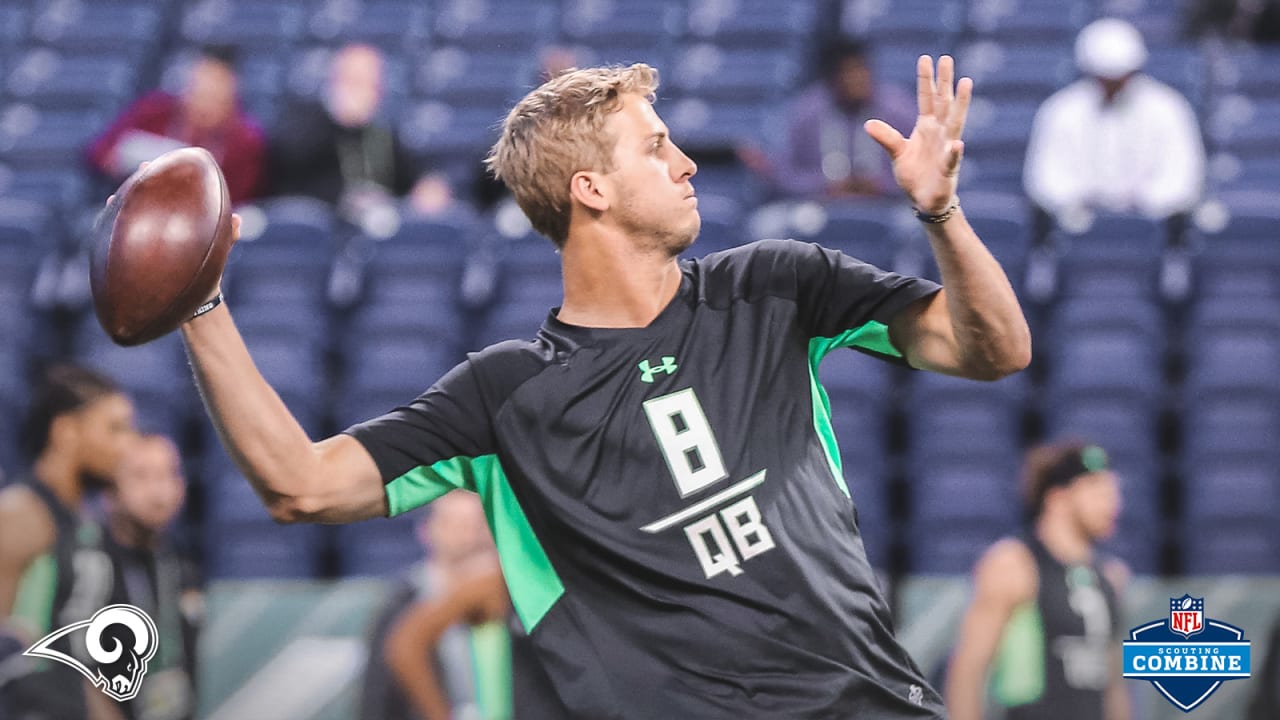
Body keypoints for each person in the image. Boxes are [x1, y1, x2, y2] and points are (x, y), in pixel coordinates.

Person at [171, 55, 1030, 717]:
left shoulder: (775, 284)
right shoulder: (505, 397)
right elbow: (300, 484)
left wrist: (941, 213)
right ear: (591, 190)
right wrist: (200, 305)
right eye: (656, 147)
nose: (687, 163)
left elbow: (994, 349)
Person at [945, 442, 1130, 720]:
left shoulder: (1110, 575)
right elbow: (967, 671)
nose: (1112, 502)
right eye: (1097, 489)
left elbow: (1112, 684)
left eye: (1112, 491)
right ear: (1057, 498)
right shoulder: (1013, 563)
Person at [0, 365, 136, 720]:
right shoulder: (18, 516)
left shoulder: (84, 524)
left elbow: (70, 659)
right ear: (65, 431)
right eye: (115, 429)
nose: (128, 445)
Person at [1023, 18, 1205, 225]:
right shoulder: (1060, 109)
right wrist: (1085, 198)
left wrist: (1140, 201)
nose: (1113, 85)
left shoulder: (1168, 107)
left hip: (1152, 226)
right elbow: (1044, 179)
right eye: (1104, 78)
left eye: (1120, 77)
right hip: (1077, 226)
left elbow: (1183, 178)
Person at [365, 491, 515, 720]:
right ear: (427, 530)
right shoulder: (402, 602)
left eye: (480, 525)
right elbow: (381, 689)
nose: (469, 538)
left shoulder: (514, 594)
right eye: (455, 525)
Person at [267, 43, 453, 223]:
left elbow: (409, 176)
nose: (365, 91)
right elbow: (290, 162)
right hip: (319, 228)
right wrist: (342, 119)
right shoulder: (305, 119)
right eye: (355, 81)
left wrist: (426, 186)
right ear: (335, 80)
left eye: (373, 84)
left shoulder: (380, 132)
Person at [86, 45, 265, 205]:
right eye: (199, 94)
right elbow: (99, 153)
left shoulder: (245, 141)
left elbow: (236, 202)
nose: (204, 107)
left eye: (215, 98)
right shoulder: (152, 111)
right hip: (134, 206)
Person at [744, 39, 915, 200]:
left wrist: (882, 185)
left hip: (890, 205)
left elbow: (920, 170)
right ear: (832, 79)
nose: (856, 79)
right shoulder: (805, 113)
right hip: (818, 205)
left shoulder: (899, 109)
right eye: (848, 72)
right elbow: (784, 175)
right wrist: (824, 184)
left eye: (860, 70)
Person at [102, 434, 198, 720]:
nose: (159, 492)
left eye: (169, 474)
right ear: (110, 490)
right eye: (141, 476)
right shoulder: (91, 565)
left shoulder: (184, 562)